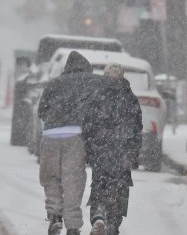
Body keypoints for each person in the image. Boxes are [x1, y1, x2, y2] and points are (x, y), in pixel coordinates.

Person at [36, 51, 99, 235]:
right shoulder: (89, 83)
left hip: (50, 135)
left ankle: (54, 215)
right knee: (73, 180)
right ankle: (72, 225)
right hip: (75, 135)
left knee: (51, 177)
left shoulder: (54, 83)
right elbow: (95, 112)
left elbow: (42, 111)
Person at [85, 63, 143, 235]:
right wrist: (134, 153)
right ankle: (113, 223)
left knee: (99, 185)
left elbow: (88, 123)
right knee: (119, 190)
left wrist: (89, 148)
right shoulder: (130, 96)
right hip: (122, 152)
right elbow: (136, 128)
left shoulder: (96, 94)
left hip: (101, 151)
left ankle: (98, 216)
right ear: (122, 76)